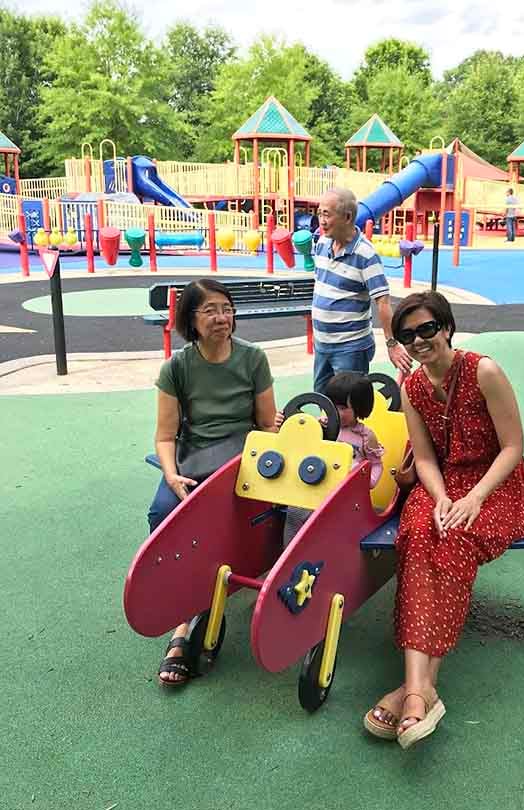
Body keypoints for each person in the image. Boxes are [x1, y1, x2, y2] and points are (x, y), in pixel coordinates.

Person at [364, 291, 524, 749]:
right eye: (407, 334)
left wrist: (475, 498)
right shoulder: (413, 387)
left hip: (496, 487)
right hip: (444, 483)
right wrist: (439, 497)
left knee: (455, 541)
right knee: (418, 536)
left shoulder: (484, 370)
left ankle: (411, 691)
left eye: (426, 329)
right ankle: (423, 691)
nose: (419, 341)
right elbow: (423, 457)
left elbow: (513, 447)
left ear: (445, 327)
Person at [151, 278, 277, 686]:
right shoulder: (177, 368)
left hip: (241, 457)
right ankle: (184, 616)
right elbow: (166, 436)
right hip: (194, 457)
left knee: (222, 520)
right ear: (192, 319)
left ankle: (191, 621)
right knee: (163, 512)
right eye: (210, 310)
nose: (222, 318)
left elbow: (264, 427)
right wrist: (171, 474)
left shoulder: (254, 359)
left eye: (226, 308)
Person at [312, 187, 412, 392]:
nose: (321, 220)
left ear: (347, 217)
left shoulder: (365, 254)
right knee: (323, 401)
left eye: (327, 214)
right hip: (322, 343)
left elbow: (383, 302)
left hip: (350, 347)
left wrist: (392, 344)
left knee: (348, 405)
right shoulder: (322, 244)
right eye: (319, 213)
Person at [277, 371, 385, 547]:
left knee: (334, 521)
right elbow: (299, 443)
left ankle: (331, 552)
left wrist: (368, 481)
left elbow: (376, 464)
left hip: (345, 493)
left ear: (359, 408)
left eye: (343, 408)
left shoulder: (365, 436)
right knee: (295, 511)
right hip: (317, 483)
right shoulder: (322, 426)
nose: (336, 411)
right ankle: (290, 551)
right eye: (332, 405)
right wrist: (285, 423)